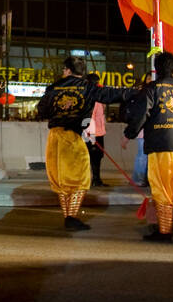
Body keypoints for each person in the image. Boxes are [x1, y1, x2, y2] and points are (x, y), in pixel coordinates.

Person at [38, 57, 134, 230]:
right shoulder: (88, 87)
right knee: (81, 179)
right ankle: (72, 217)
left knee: (60, 180)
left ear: (67, 70)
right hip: (73, 137)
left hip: (54, 138)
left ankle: (68, 215)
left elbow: (41, 110)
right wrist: (137, 91)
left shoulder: (53, 88)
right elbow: (112, 95)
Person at [123, 52, 173, 241]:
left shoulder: (152, 88)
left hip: (160, 144)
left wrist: (129, 134)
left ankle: (165, 231)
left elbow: (141, 114)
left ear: (156, 68)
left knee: (161, 187)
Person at [84, 73, 109, 187]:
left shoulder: (99, 96)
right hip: (91, 132)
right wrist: (90, 133)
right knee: (91, 156)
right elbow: (90, 117)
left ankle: (96, 179)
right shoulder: (90, 97)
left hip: (98, 131)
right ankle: (92, 179)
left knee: (97, 156)